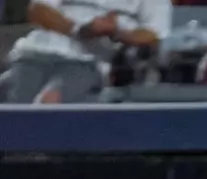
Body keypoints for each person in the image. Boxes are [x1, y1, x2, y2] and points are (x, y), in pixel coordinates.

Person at [2, 0, 168, 103]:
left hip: (88, 62)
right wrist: (79, 29)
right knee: (16, 107)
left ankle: (34, 157)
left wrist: (116, 32)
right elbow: (38, 9)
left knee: (48, 102)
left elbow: (153, 35)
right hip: (35, 52)